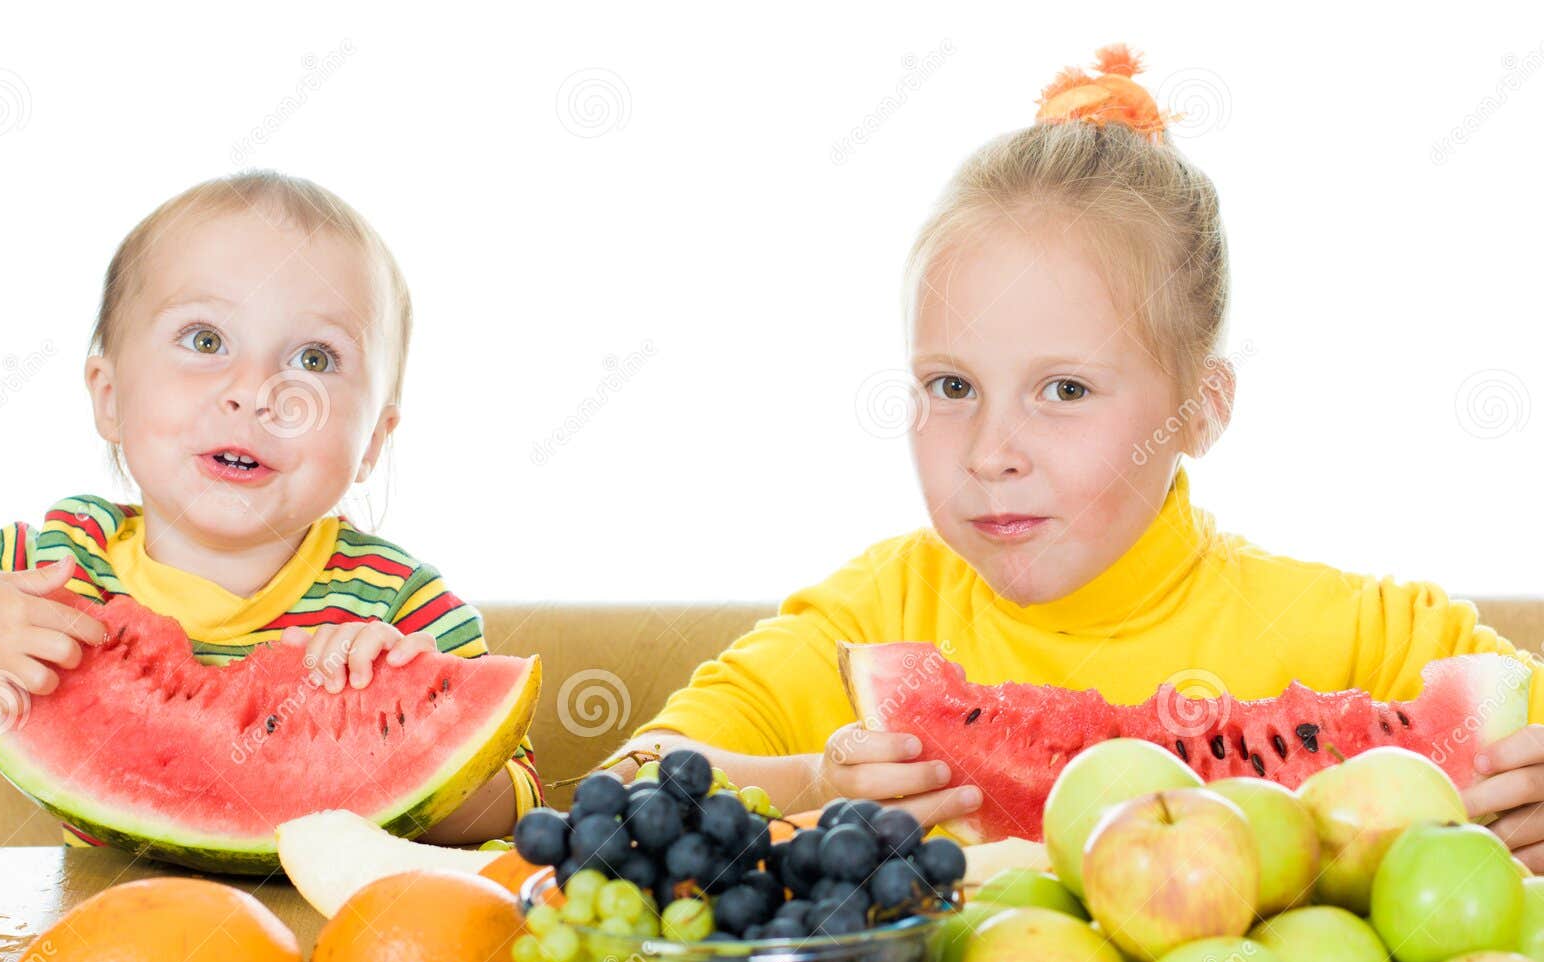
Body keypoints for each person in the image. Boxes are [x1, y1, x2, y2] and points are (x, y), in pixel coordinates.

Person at [599, 44, 1544, 868]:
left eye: (1065, 391)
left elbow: (1513, 722)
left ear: (1200, 408)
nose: (991, 452)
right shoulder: (875, 620)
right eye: (952, 387)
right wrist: (815, 779)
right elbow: (628, 789)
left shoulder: (1343, 628)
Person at [0, 171, 540, 847]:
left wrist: (405, 729)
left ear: (372, 440)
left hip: (324, 947)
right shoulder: (46, 564)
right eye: (204, 341)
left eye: (314, 358)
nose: (255, 391)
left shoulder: (402, 606)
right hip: (99, 942)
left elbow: (519, 804)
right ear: (109, 396)